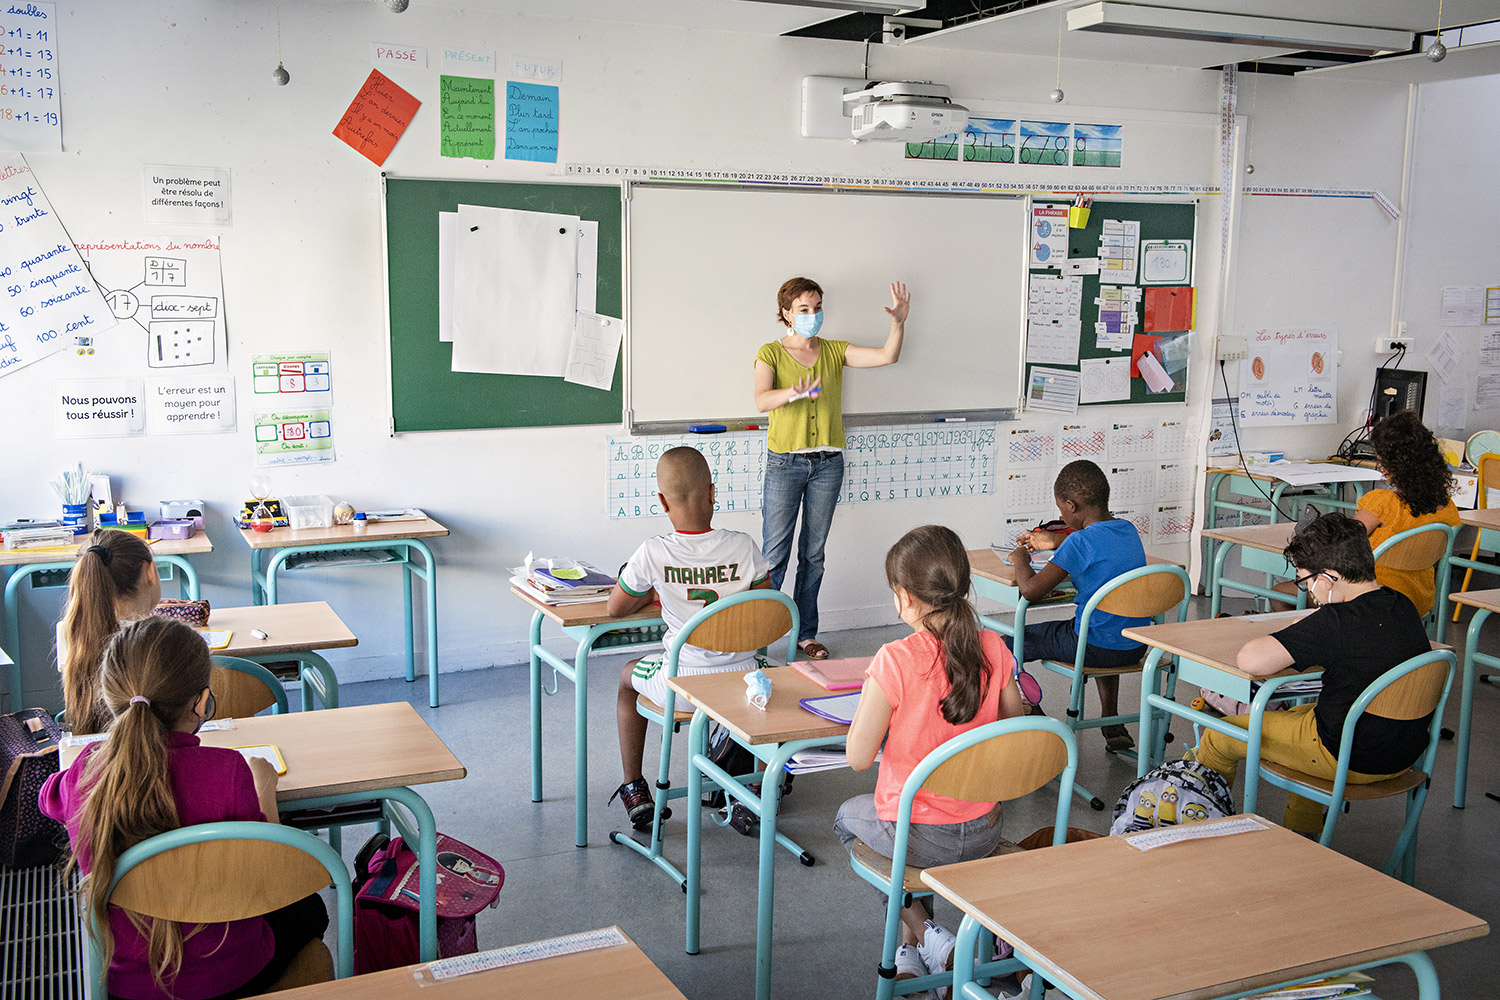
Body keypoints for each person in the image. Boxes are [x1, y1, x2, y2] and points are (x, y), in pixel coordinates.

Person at [39, 617, 329, 1000]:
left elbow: (48, 799)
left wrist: (94, 765)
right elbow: (270, 872)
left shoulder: (87, 774)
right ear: (202, 701)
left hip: (127, 985)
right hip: (233, 972)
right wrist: (265, 788)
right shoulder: (229, 772)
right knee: (312, 909)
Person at [835, 525, 1024, 990]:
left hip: (918, 839)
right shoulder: (993, 647)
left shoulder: (894, 660)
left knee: (845, 818)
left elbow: (858, 757)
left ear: (905, 597)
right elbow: (1016, 723)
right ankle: (917, 953)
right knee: (905, 829)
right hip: (985, 828)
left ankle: (925, 932)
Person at [1191, 512, 1435, 834]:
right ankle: (1302, 836)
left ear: (1329, 577)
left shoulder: (1334, 621)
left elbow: (1250, 660)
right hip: (1402, 751)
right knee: (1306, 716)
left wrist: (1305, 627)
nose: (1309, 593)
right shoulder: (1400, 604)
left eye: (1307, 583)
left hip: (1347, 754)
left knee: (1221, 734)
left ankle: (1193, 825)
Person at [606, 446, 772, 831]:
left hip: (683, 686)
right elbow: (766, 606)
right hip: (745, 684)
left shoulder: (652, 553)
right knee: (779, 676)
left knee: (627, 676)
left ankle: (634, 787)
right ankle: (760, 793)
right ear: (713, 493)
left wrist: (655, 592)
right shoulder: (744, 546)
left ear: (662, 502)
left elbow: (616, 608)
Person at [753, 276, 910, 661]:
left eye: (817, 307)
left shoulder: (834, 350)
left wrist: (899, 322)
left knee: (814, 555)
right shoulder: (770, 352)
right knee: (775, 556)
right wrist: (793, 392)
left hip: (827, 464)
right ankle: (758, 638)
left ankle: (806, 634)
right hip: (785, 464)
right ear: (786, 313)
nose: (812, 315)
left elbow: (886, 356)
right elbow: (760, 400)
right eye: (804, 309)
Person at [1006, 459, 1147, 752]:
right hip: (1133, 646)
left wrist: (1020, 559)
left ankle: (1043, 726)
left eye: (1060, 510)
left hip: (1091, 646)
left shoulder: (1078, 543)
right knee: (1105, 626)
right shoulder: (1128, 530)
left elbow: (1031, 590)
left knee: (1007, 645)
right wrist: (1057, 540)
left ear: (1070, 506)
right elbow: (1094, 541)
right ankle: (1111, 719)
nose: (1061, 514)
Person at [1354, 409, 1459, 616]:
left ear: (1394, 464)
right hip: (1418, 601)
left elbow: (1344, 544)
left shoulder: (1381, 504)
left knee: (1283, 592)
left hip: (1374, 600)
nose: (1381, 467)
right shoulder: (1447, 507)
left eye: (1382, 460)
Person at [57, 529, 162, 735]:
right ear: (150, 572)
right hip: (160, 752)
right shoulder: (162, 638)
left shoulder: (69, 631)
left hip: (91, 753)